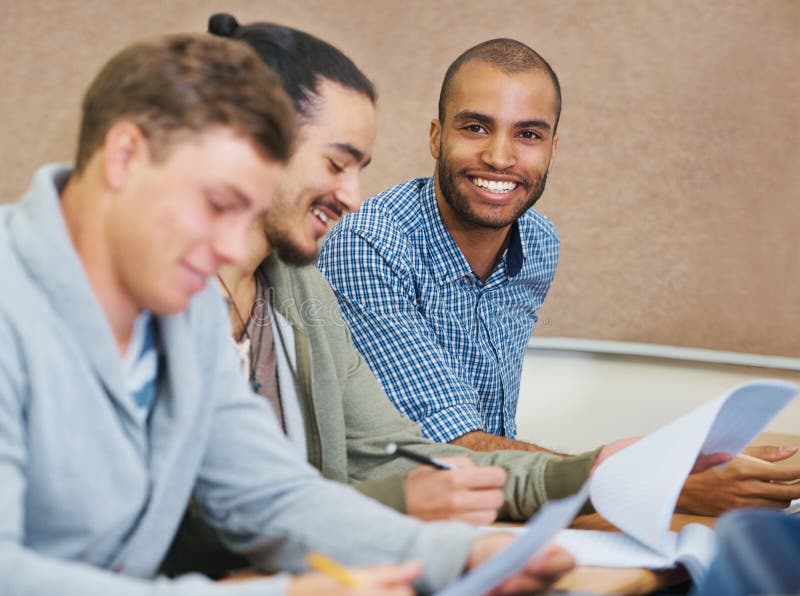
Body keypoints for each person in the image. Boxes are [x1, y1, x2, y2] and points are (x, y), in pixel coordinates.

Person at [0, 33, 575, 595]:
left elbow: (270, 497)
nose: (230, 250)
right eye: (220, 204)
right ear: (125, 156)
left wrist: (463, 557)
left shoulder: (185, 302)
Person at [317, 38, 800, 514]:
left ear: (552, 147)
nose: (501, 158)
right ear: (436, 136)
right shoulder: (369, 246)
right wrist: (659, 482)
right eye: (476, 128)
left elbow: (488, 436)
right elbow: (444, 446)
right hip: (390, 521)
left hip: (494, 507)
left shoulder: (538, 241)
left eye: (528, 134)